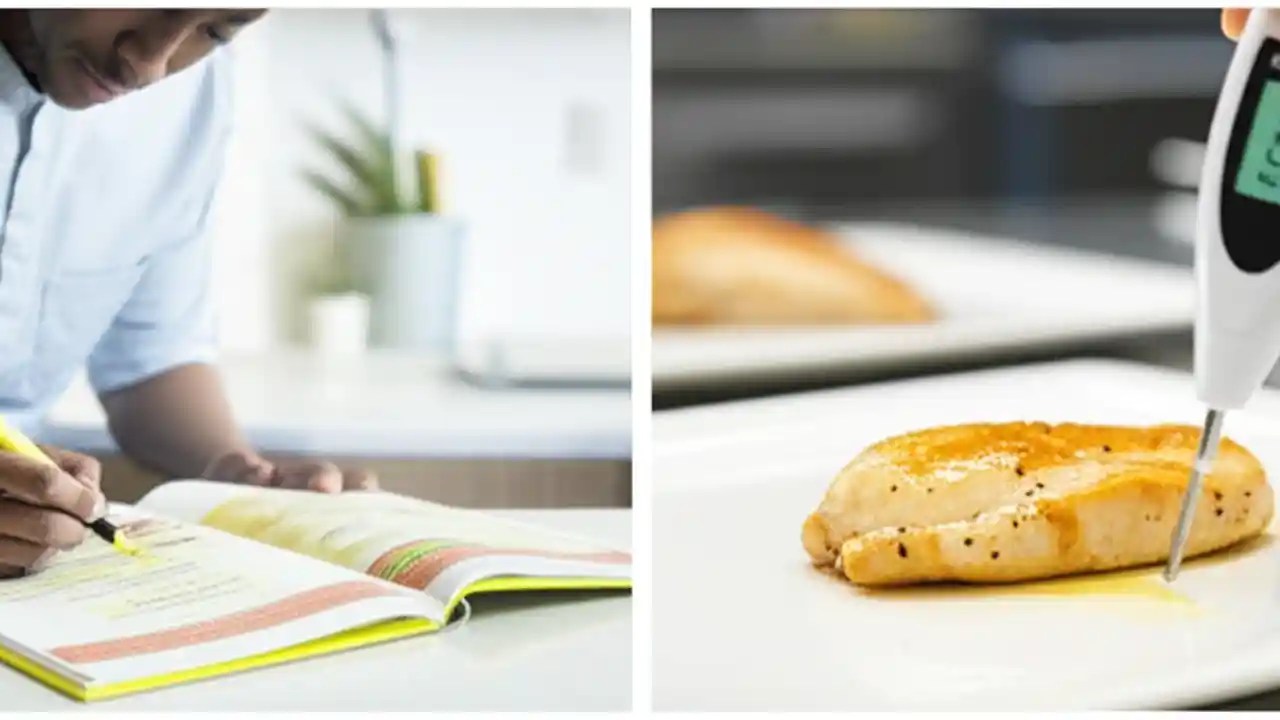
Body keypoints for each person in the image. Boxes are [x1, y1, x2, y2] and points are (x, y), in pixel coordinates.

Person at [0, 10, 376, 578]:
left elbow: (151, 359)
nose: (148, 66)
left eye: (216, 31)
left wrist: (237, 475)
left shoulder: (189, 97)